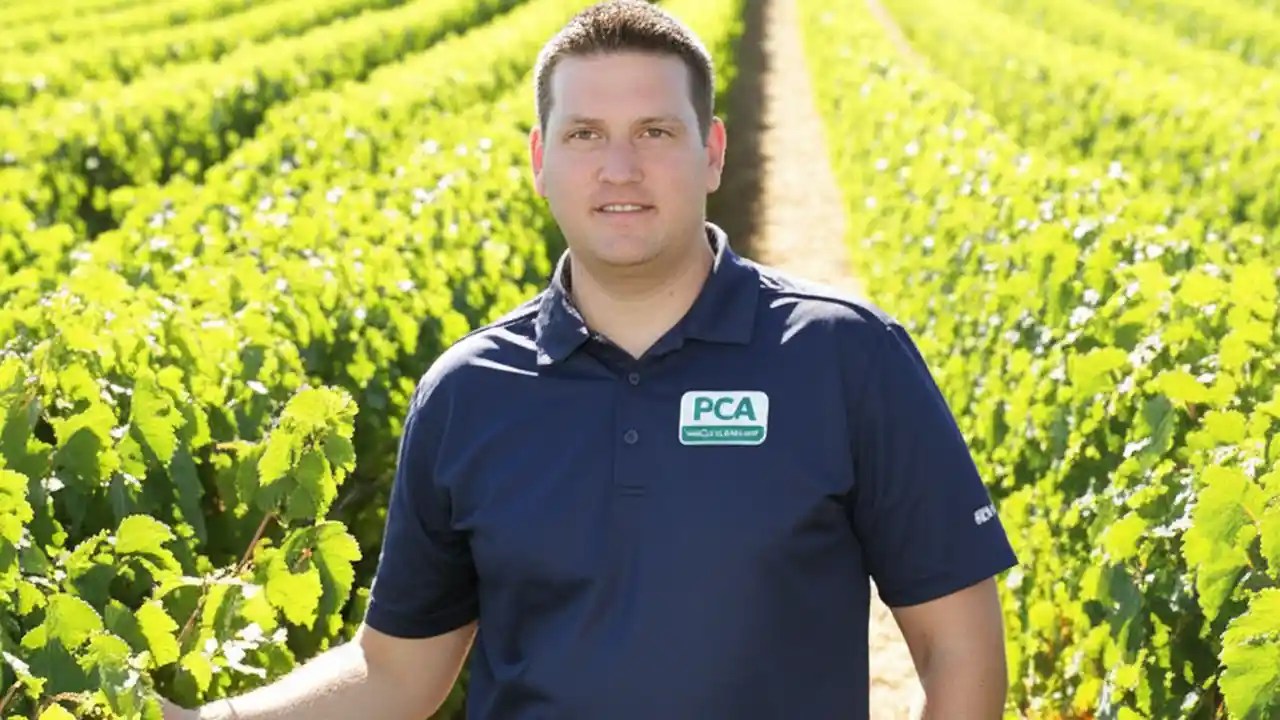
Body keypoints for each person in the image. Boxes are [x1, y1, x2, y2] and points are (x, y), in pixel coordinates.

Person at [162, 1, 1019, 718]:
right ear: (540, 160)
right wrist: (210, 719)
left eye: (654, 130)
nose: (620, 168)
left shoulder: (845, 356)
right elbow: (397, 673)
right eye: (583, 135)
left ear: (712, 150)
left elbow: (959, 648)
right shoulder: (468, 392)